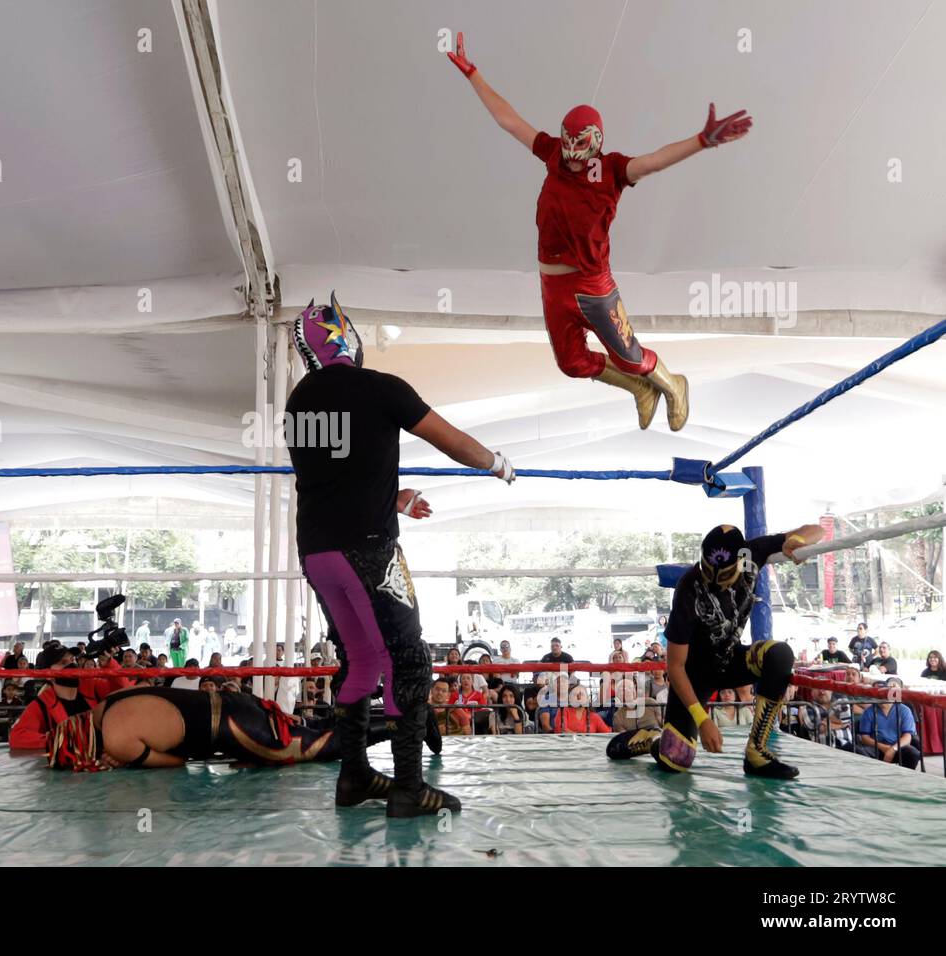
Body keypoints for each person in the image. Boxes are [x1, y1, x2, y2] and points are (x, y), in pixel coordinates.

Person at [446, 35, 750, 431]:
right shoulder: (552, 153)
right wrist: (473, 74)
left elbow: (655, 161)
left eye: (580, 143)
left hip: (592, 285)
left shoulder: (613, 171)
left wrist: (700, 141)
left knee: (629, 357)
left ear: (596, 141)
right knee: (571, 363)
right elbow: (509, 119)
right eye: (568, 140)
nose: (572, 151)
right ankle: (639, 391)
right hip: (552, 283)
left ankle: (671, 383)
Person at [287, 293, 515, 816]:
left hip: (317, 553)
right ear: (347, 337)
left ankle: (354, 778)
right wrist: (496, 462)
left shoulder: (298, 403)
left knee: (361, 660)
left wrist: (395, 498)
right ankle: (411, 789)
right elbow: (450, 440)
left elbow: (331, 479)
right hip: (369, 551)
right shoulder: (381, 388)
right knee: (409, 660)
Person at [607, 522, 824, 778]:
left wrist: (797, 540)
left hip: (729, 661)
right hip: (692, 675)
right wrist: (703, 719)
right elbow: (675, 666)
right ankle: (654, 738)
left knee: (779, 654)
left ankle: (757, 752)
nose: (713, 581)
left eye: (721, 575)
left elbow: (817, 530)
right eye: (707, 571)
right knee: (675, 760)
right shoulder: (689, 587)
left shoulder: (750, 555)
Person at [46, 683, 399, 774]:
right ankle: (401, 719)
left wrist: (125, 759)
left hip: (233, 729)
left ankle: (401, 726)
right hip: (236, 704)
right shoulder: (111, 700)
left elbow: (175, 763)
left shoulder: (118, 740)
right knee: (318, 726)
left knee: (325, 744)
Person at [856, 699, 919, 770]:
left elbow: (907, 737)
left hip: (898, 747)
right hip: (876, 747)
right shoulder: (869, 711)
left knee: (912, 753)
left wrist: (893, 749)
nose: (879, 698)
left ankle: (906, 777)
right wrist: (884, 748)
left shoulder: (904, 710)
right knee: (858, 752)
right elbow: (865, 738)